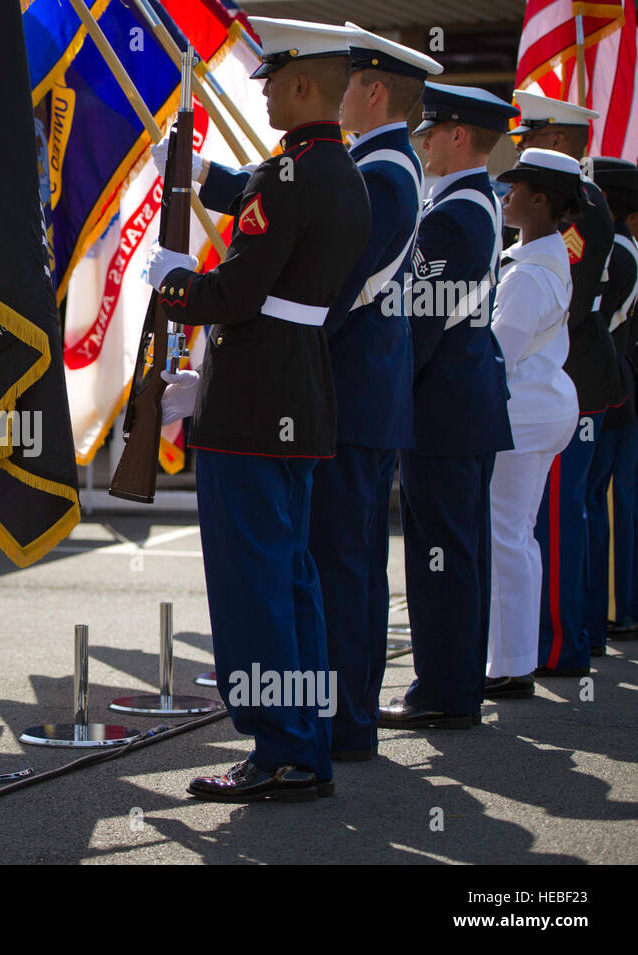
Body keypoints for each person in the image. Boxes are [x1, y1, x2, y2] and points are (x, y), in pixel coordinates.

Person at [146, 17, 370, 802]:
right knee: (293, 580)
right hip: (299, 395)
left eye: (273, 80)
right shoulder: (341, 174)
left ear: (302, 84)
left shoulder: (288, 178)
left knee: (253, 585)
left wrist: (173, 283)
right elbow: (262, 200)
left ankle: (277, 748)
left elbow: (234, 292)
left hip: (251, 401)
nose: (266, 92)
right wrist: (198, 173)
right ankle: (303, 742)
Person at [313, 25, 439, 761]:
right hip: (362, 391)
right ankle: (347, 713)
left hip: (353, 392)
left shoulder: (383, 174)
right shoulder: (379, 165)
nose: (339, 94)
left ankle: (344, 720)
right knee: (350, 560)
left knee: (343, 561)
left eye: (347, 81)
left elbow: (338, 282)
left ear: (376, 90)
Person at [377, 82, 517, 731]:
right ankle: (454, 682)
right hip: (461, 405)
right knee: (456, 549)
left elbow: (420, 326)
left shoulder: (453, 217)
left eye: (432, 131)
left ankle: (445, 689)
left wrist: (384, 389)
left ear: (460, 137)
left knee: (441, 553)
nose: (423, 141)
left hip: (444, 410)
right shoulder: (471, 206)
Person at [511, 90, 621, 676]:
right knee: (561, 515)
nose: (524, 151)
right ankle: (573, 634)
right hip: (571, 377)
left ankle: (559, 644)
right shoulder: (586, 202)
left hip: (567, 375)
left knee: (555, 517)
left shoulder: (581, 210)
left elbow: (565, 306)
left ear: (558, 143)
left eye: (531, 140)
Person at [484, 150, 583, 699]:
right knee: (514, 534)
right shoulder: (535, 257)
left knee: (506, 535)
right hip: (536, 407)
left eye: (516, 188)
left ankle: (509, 664)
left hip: (521, 411)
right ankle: (510, 658)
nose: (506, 195)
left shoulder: (530, 273)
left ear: (541, 200)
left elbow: (499, 353)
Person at [590, 158, 638, 641]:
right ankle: (617, 607)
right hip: (621, 388)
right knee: (612, 502)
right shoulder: (622, 251)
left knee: (603, 503)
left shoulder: (616, 255)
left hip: (609, 394)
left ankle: (608, 610)